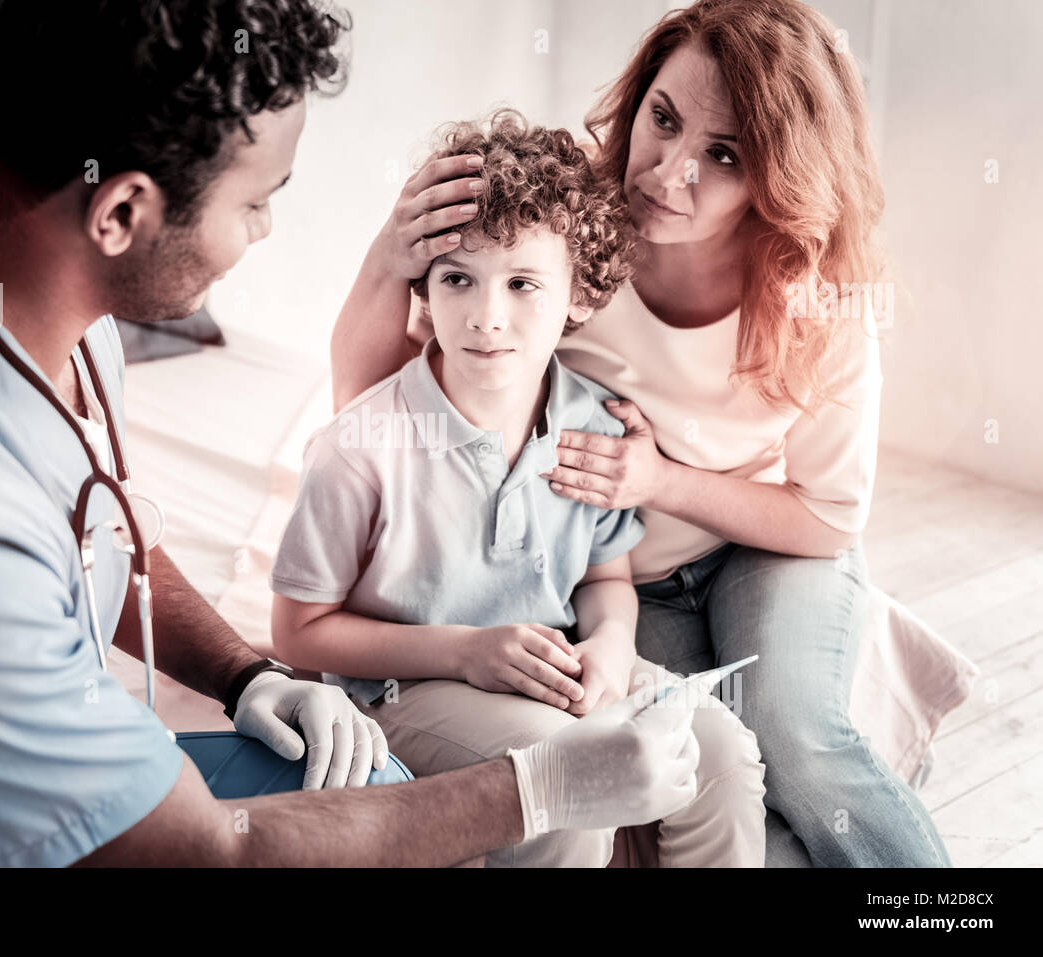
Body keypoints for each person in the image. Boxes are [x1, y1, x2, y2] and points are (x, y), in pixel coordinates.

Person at [0, 0, 701, 868]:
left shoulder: (19, 291)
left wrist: (246, 672)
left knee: (367, 791)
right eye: (256, 201)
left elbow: (95, 527)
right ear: (121, 211)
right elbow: (196, 855)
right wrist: (545, 787)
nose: (269, 229)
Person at [328, 0, 952, 867]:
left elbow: (828, 519)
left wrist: (656, 480)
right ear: (640, 96)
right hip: (605, 570)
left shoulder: (814, 291)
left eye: (723, 156)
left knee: (798, 737)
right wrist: (387, 254)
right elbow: (370, 399)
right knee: (700, 766)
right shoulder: (565, 222)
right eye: (663, 119)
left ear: (779, 181)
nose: (667, 172)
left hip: (763, 546)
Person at [270, 110, 767, 867]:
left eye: (523, 283)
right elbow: (297, 633)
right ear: (425, 292)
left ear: (582, 296)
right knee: (567, 775)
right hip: (400, 693)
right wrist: (466, 651)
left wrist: (609, 643)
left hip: (556, 665)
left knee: (723, 750)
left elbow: (605, 576)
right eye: (458, 279)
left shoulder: (595, 428)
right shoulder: (360, 446)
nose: (486, 316)